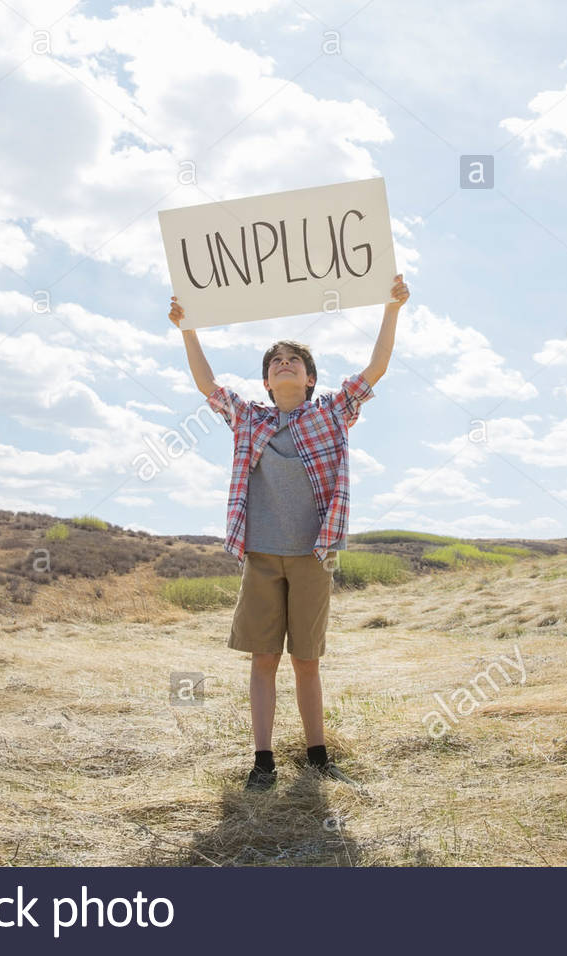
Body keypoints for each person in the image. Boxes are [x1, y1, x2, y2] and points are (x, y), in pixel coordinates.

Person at [169, 274, 410, 791]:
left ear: (308, 380)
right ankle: (263, 761)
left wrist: (391, 308)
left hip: (312, 556)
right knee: (263, 659)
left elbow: (376, 369)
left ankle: (317, 755)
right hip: (260, 557)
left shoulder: (329, 414)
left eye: (293, 361)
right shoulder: (249, 420)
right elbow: (207, 385)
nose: (283, 364)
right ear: (266, 382)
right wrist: (187, 329)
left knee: (306, 660)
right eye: (275, 361)